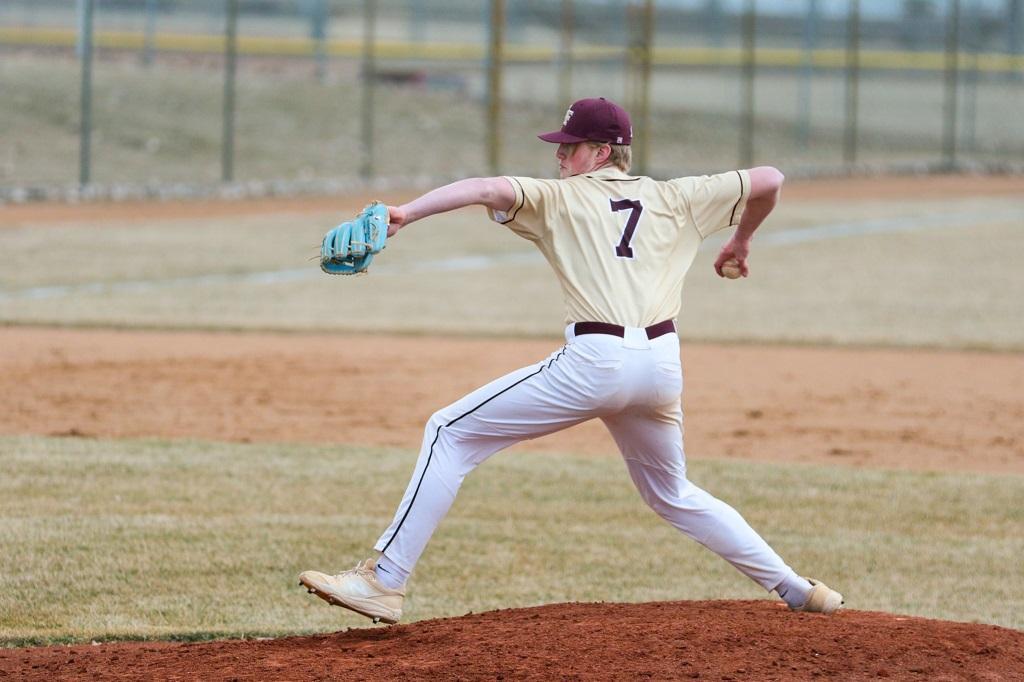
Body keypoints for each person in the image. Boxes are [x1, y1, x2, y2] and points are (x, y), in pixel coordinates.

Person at [299, 97, 843, 624]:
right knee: (673, 493)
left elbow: (485, 187)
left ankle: (383, 582)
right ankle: (799, 590)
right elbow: (770, 178)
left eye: (570, 148)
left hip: (596, 362)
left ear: (602, 152)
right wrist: (740, 241)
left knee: (449, 432)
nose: (559, 158)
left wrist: (406, 214)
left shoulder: (558, 198)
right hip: (660, 367)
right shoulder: (678, 196)